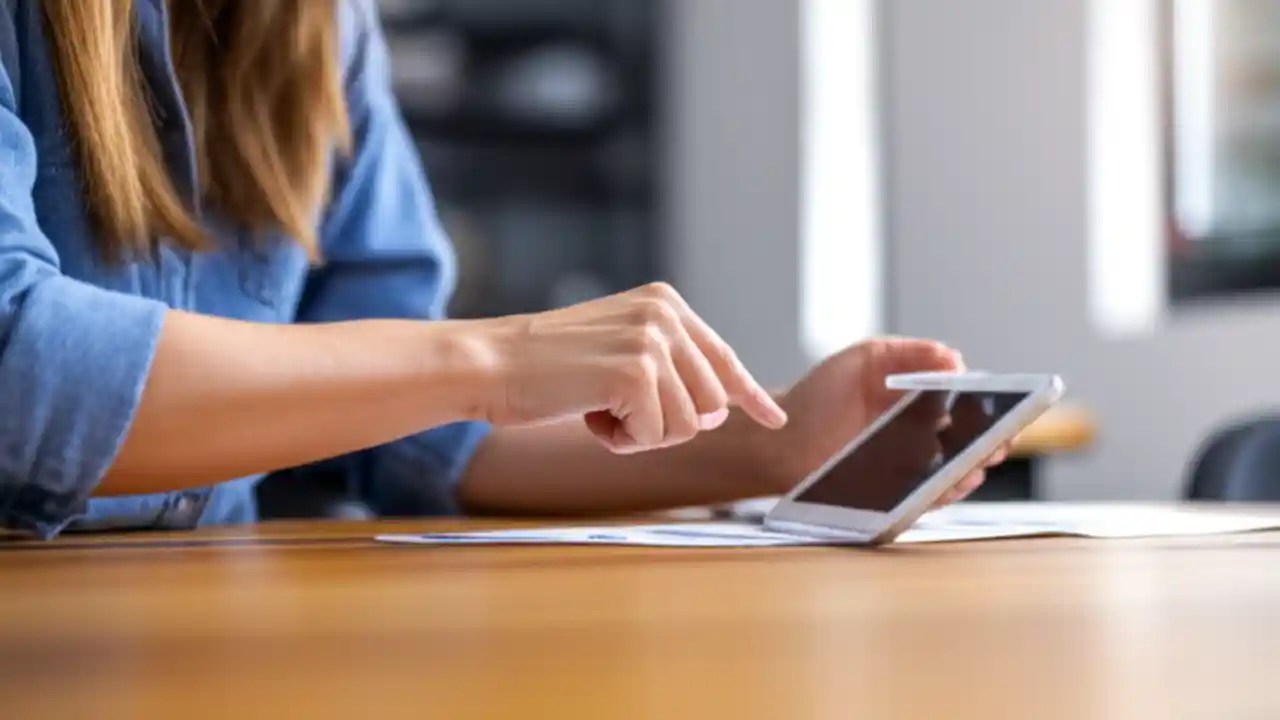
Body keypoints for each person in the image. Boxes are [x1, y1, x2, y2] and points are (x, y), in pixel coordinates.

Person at [0, 0, 997, 540]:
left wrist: (771, 446)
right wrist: (494, 359)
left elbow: (413, 439)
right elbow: (20, 368)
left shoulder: (317, 31)